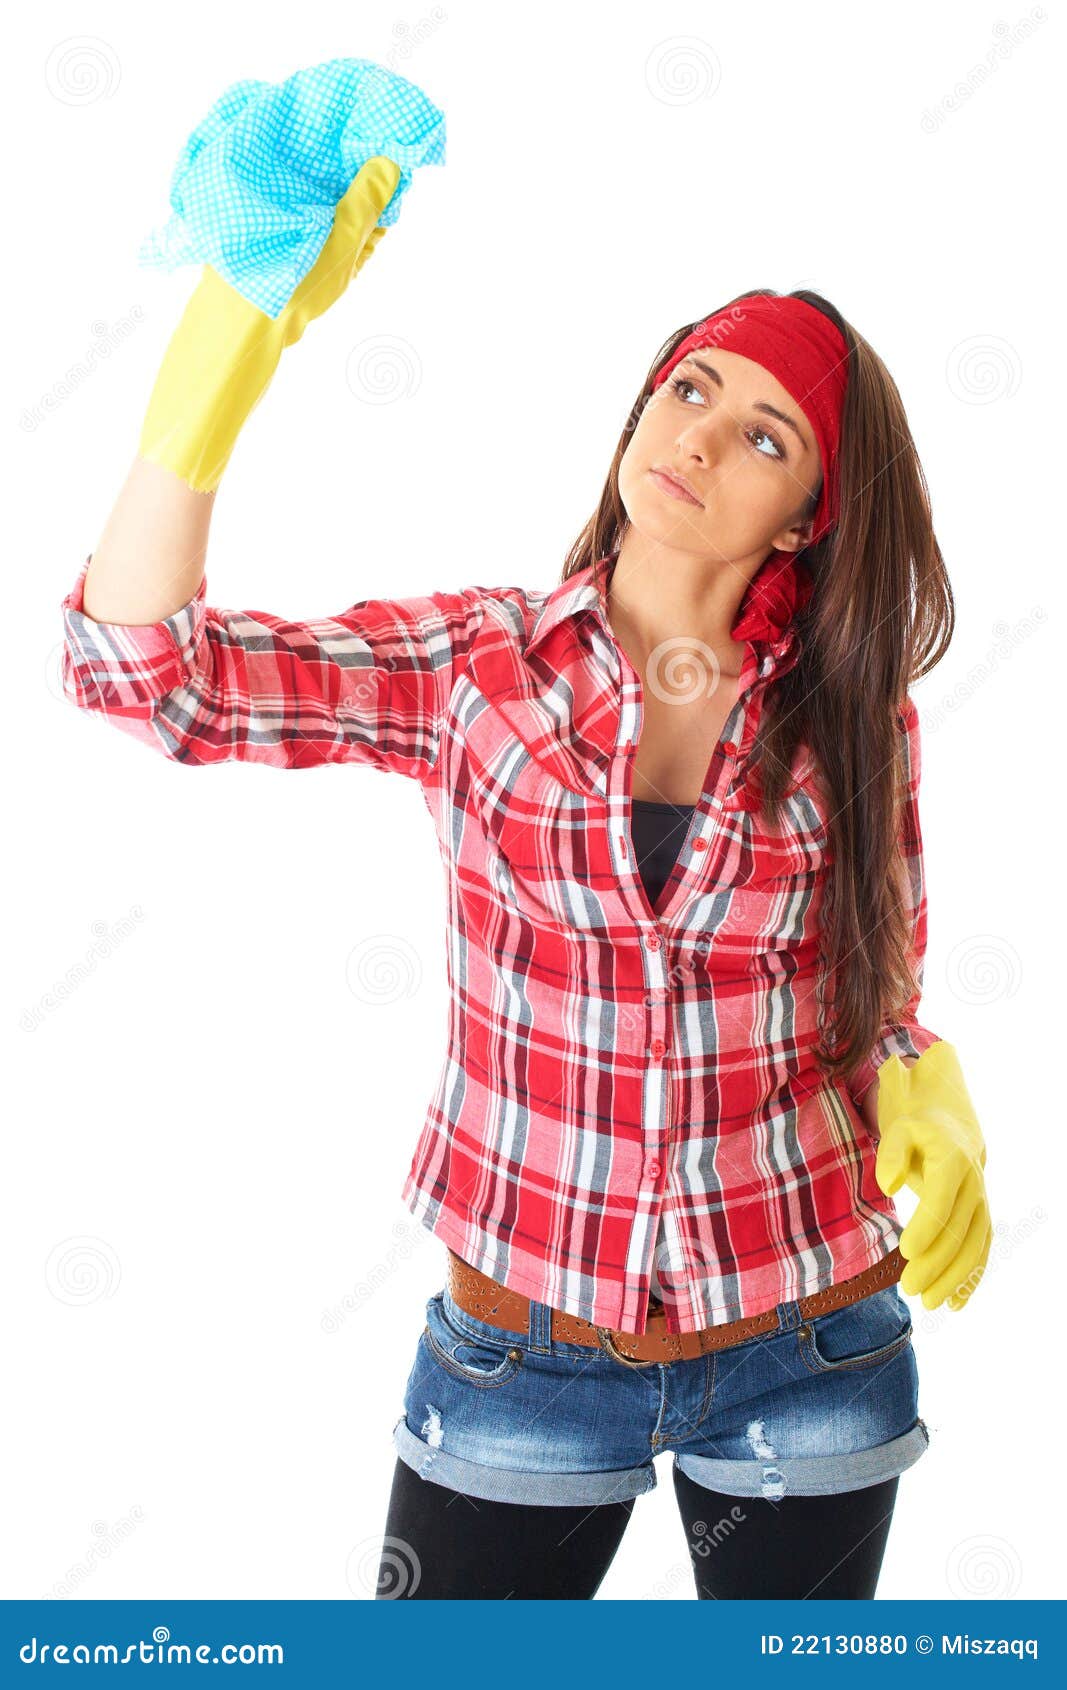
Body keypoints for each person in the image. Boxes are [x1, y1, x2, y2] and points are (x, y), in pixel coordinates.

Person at [59, 164, 991, 1599]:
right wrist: (214, 369)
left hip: (812, 1337)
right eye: (691, 389)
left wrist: (927, 1082)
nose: (700, 438)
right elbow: (150, 681)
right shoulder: (478, 668)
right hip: (522, 1350)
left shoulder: (853, 723)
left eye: (764, 433)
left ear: (807, 517)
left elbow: (882, 996)